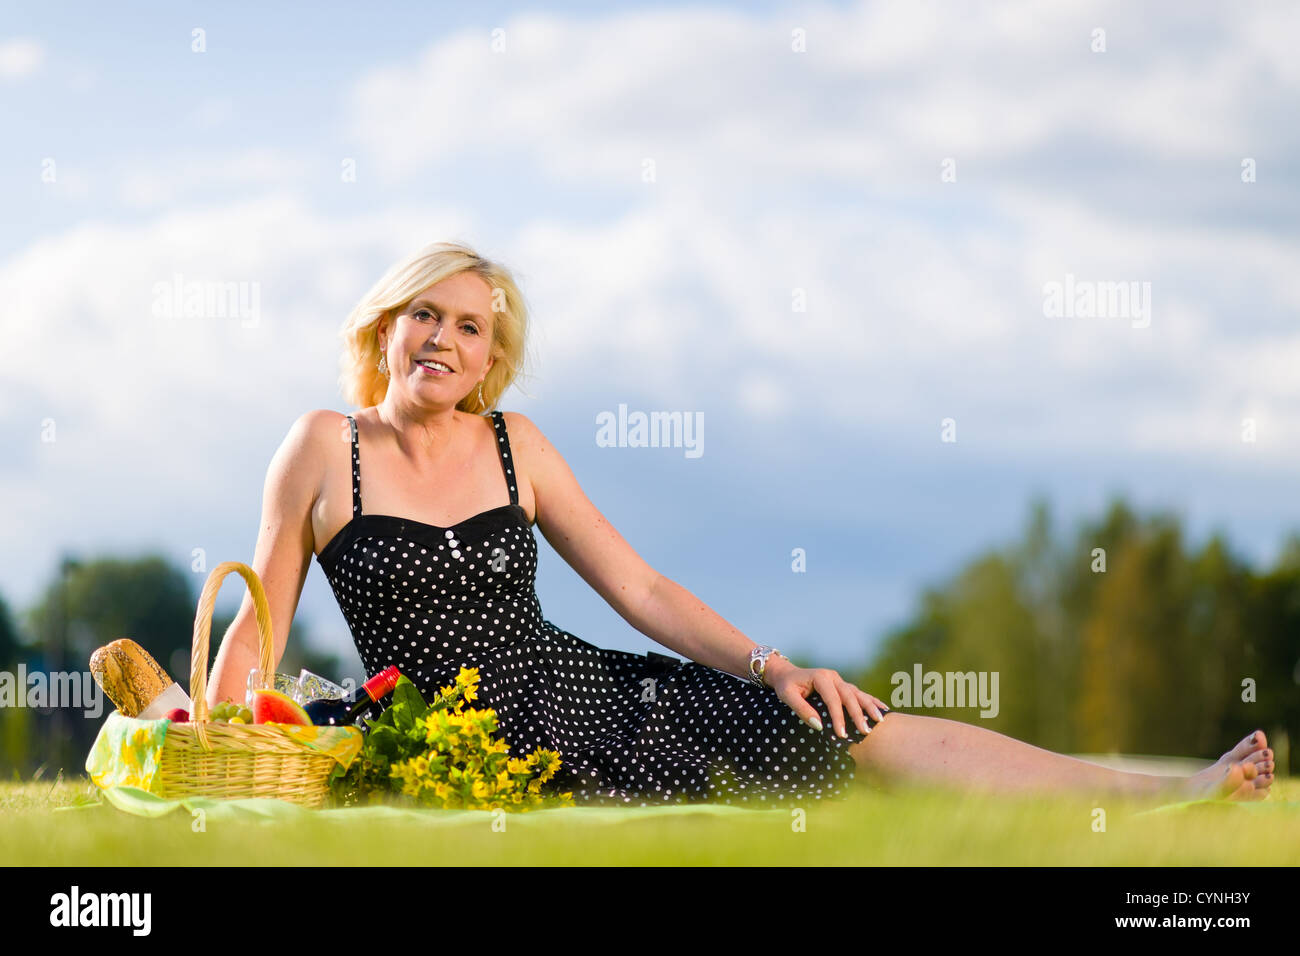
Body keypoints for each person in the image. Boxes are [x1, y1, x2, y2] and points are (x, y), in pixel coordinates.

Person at [207, 241, 1274, 806]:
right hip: (436, 731)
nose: (442, 336)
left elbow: (640, 589)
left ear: (491, 357)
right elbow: (259, 611)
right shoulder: (319, 445)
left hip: (582, 695)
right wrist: (210, 726)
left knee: (854, 731)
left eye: (469, 325)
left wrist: (773, 664)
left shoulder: (514, 444)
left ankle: (1160, 795)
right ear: (386, 326)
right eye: (425, 313)